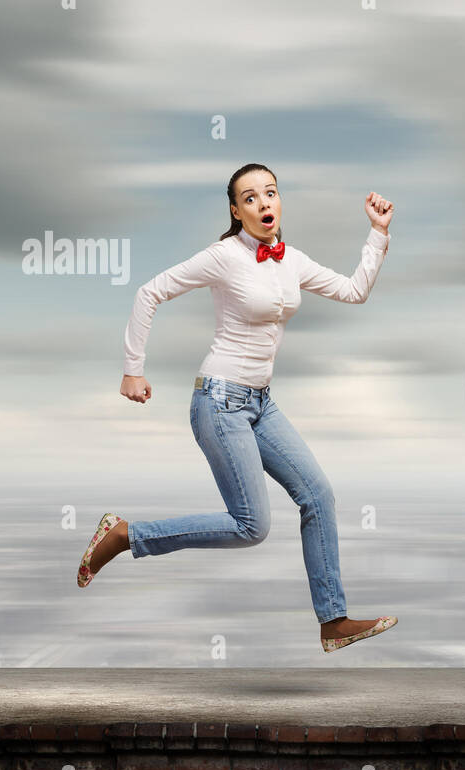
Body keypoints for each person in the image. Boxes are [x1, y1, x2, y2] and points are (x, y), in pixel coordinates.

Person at [75, 162, 397, 654]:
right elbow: (150, 292)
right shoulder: (224, 256)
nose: (264, 203)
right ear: (236, 210)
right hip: (219, 403)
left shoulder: (292, 261)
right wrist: (132, 369)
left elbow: (354, 291)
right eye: (250, 198)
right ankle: (125, 535)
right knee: (252, 527)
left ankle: (332, 621)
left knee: (319, 496)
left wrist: (376, 233)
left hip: (261, 405)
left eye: (270, 193)